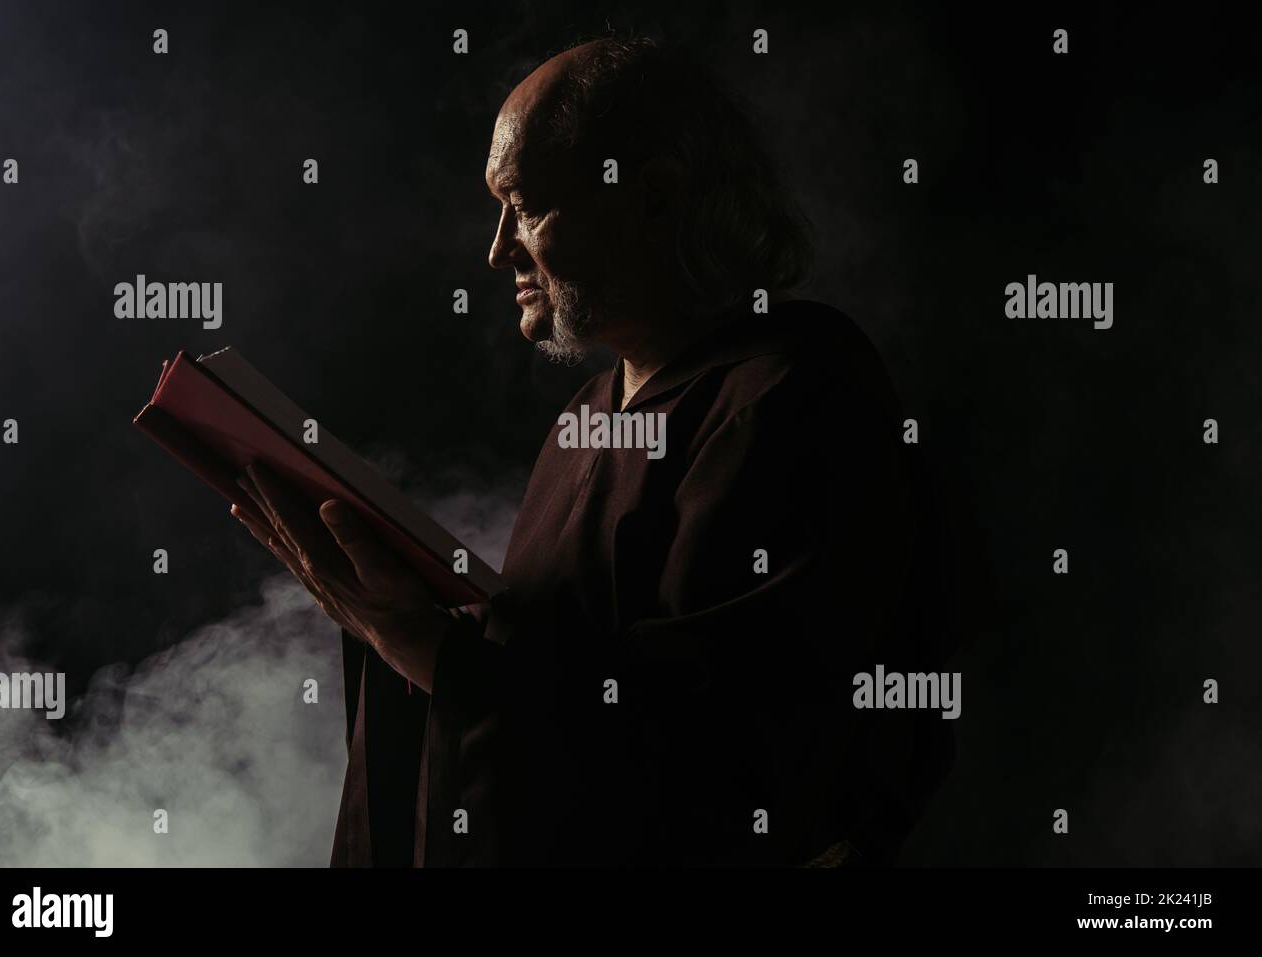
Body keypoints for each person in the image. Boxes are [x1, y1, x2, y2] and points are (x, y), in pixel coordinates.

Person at [232, 36, 955, 867]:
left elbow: (728, 747)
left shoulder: (795, 394)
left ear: (652, 198)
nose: (498, 248)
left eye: (527, 204)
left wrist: (427, 647)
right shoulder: (588, 416)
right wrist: (405, 615)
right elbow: (551, 670)